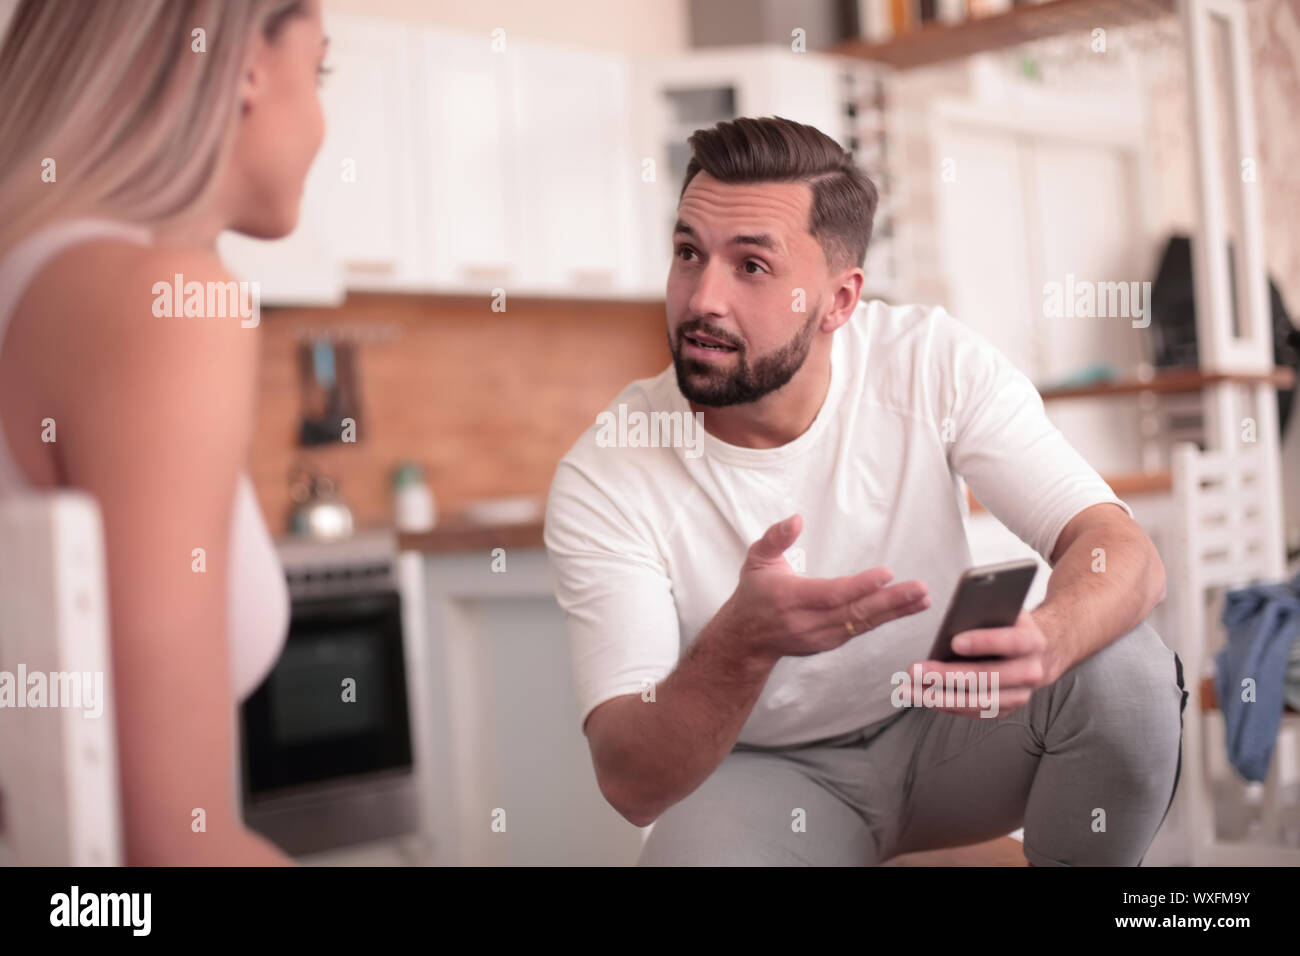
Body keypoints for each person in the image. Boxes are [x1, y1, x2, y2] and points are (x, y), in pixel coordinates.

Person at [543, 115, 1186, 866]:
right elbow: (630, 781)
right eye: (689, 253)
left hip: (948, 725)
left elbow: (1121, 552)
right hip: (768, 772)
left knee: (1127, 673)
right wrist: (743, 644)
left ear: (840, 302)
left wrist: (1049, 639)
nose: (702, 299)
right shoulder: (607, 471)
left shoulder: (926, 361)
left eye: (752, 266)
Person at [0, 0, 330, 864]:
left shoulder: (33, 273)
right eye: (320, 68)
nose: (324, 121)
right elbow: (172, 850)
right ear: (248, 67)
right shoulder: (166, 303)